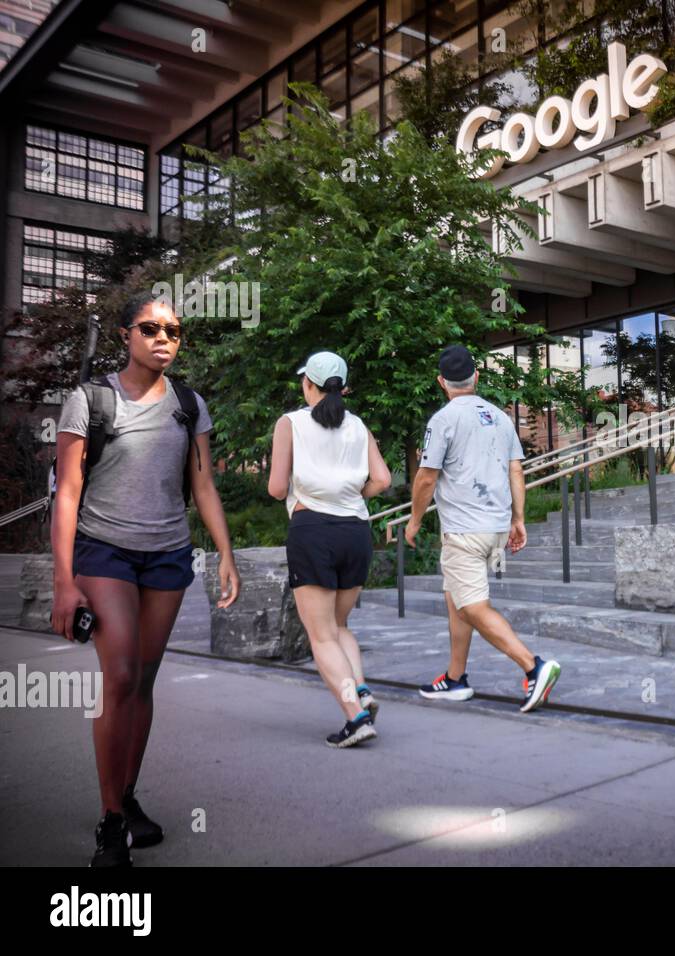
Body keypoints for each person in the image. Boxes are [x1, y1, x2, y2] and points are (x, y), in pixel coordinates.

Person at [51, 291, 242, 868]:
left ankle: (126, 796)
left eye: (174, 331)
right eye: (151, 328)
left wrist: (225, 553)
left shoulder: (189, 404)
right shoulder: (90, 400)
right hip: (104, 551)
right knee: (122, 673)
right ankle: (111, 825)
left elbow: (203, 486)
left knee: (146, 680)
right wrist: (65, 581)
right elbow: (67, 492)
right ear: (125, 334)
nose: (164, 338)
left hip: (167, 555)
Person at [406, 345, 560, 712]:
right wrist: (517, 519)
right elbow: (515, 470)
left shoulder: (442, 420)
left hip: (463, 531)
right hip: (494, 528)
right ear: (476, 377)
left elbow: (426, 478)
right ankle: (455, 678)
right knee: (456, 600)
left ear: (441, 381)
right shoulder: (500, 417)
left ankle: (533, 667)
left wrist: (412, 522)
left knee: (473, 607)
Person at [267, 351, 391, 748]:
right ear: (343, 386)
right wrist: (353, 493)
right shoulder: (358, 426)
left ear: (308, 384)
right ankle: (362, 690)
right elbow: (383, 480)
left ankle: (355, 717)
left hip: (312, 530)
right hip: (356, 530)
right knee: (339, 627)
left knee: (320, 636)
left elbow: (275, 488)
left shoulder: (290, 423)